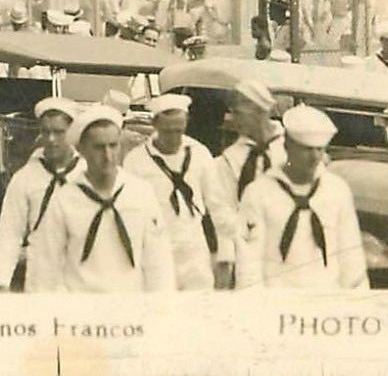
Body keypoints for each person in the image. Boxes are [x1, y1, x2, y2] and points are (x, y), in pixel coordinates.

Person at [27, 105, 175, 292]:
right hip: (82, 310)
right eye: (98, 147)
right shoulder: (65, 200)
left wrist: (162, 310)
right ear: (81, 149)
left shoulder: (140, 193)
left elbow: (158, 260)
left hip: (130, 306)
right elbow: (46, 268)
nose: (107, 155)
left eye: (113, 146)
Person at [234, 105, 367, 289]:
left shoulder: (337, 190)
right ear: (287, 145)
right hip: (278, 304)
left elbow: (352, 260)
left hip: (327, 303)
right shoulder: (258, 193)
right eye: (306, 149)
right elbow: (248, 265)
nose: (314, 157)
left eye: (319, 150)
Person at [122, 93, 217, 290]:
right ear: (155, 124)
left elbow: (217, 204)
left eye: (179, 130)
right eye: (167, 131)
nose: (174, 138)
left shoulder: (200, 153)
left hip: (195, 252)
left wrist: (224, 253)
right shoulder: (136, 160)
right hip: (156, 251)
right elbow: (130, 212)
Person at [0, 97, 85, 292]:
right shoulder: (25, 178)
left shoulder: (88, 175)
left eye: (59, 132)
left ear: (73, 133)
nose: (51, 139)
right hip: (40, 283)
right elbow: (9, 234)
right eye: (46, 132)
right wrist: (2, 282)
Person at [207, 78, 286, 288]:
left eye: (239, 112)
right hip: (249, 257)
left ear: (259, 111)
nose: (233, 119)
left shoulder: (291, 149)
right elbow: (221, 211)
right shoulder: (229, 160)